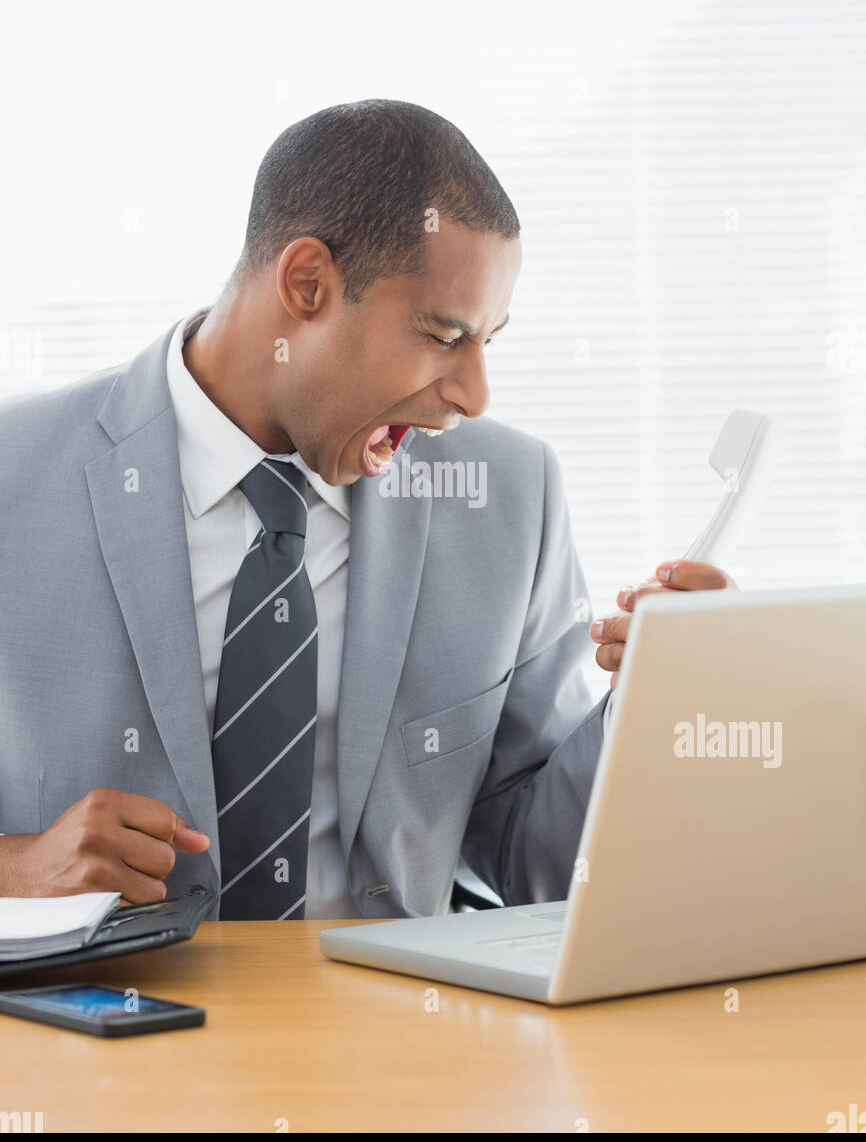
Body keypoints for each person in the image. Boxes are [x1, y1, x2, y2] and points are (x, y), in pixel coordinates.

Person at [0, 99, 726, 918]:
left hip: (394, 1035)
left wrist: (650, 704)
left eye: (491, 340)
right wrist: (19, 870)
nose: (474, 395)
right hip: (100, 1034)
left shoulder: (509, 497)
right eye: (443, 336)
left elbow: (536, 870)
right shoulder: (15, 475)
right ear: (307, 283)